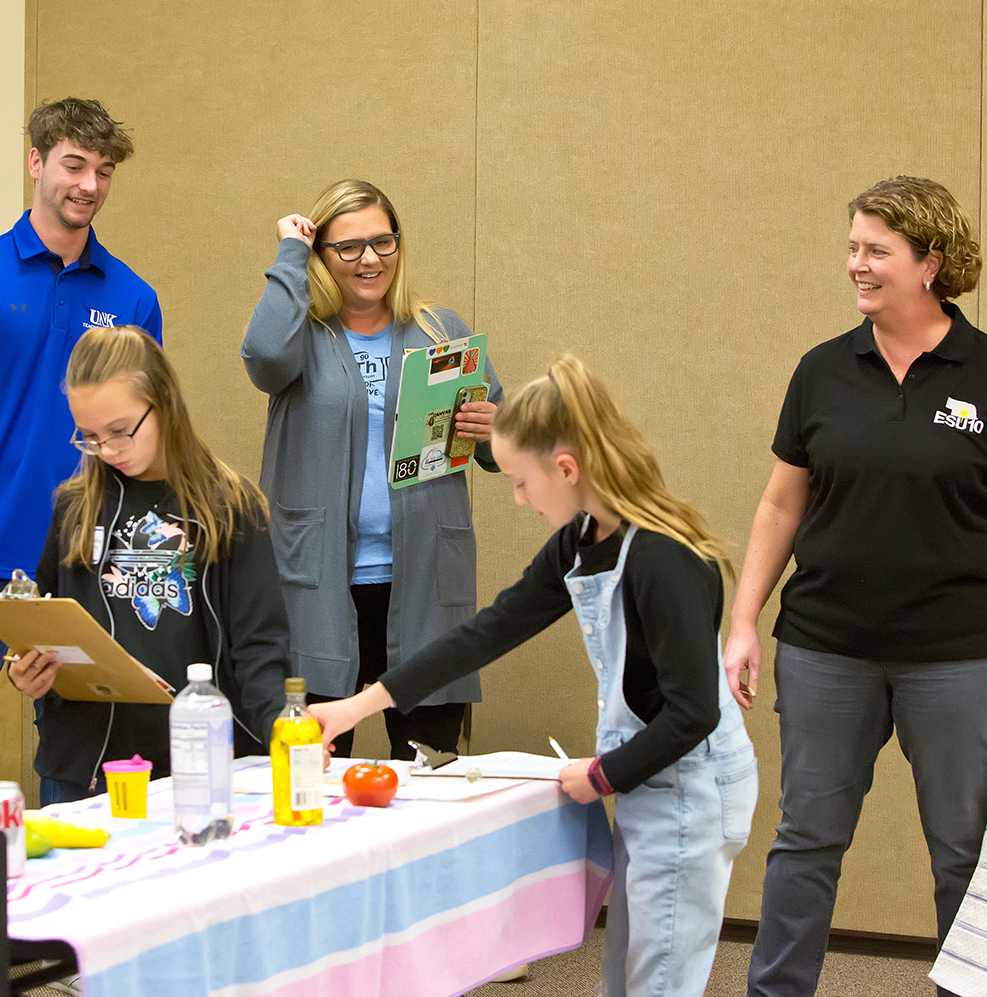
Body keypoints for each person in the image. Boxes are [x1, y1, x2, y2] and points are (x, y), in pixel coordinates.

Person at [312, 356, 757, 997]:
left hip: (692, 788)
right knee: (632, 977)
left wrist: (601, 775)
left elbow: (694, 714)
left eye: (521, 482)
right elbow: (490, 630)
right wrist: (359, 705)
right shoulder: (581, 539)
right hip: (649, 779)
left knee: (659, 983)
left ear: (566, 468)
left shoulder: (664, 558)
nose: (519, 499)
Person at [725, 176, 987, 997]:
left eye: (876, 250)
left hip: (963, 654)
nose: (856, 265)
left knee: (963, 852)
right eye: (853, 247)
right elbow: (781, 503)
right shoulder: (822, 370)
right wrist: (743, 618)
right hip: (825, 648)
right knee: (806, 838)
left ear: (929, 263)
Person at [0, 98, 162, 813]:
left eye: (103, 171)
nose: (88, 184)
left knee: (76, 754)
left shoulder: (133, 297)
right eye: (74, 164)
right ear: (36, 163)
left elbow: (143, 436)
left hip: (84, 566)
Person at [241, 180, 502, 761]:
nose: (369, 261)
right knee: (314, 771)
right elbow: (261, 356)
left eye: (382, 243)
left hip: (424, 579)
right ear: (321, 257)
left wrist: (495, 428)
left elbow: (501, 447)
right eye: (349, 248)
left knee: (430, 775)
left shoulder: (441, 330)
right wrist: (289, 253)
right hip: (319, 583)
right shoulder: (299, 335)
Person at [7, 325, 290, 804]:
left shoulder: (229, 507)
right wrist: (26, 669)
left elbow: (261, 648)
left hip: (198, 770)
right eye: (90, 437)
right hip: (83, 770)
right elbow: (48, 618)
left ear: (165, 403)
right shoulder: (74, 506)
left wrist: (283, 730)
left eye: (120, 432)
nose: (109, 450)